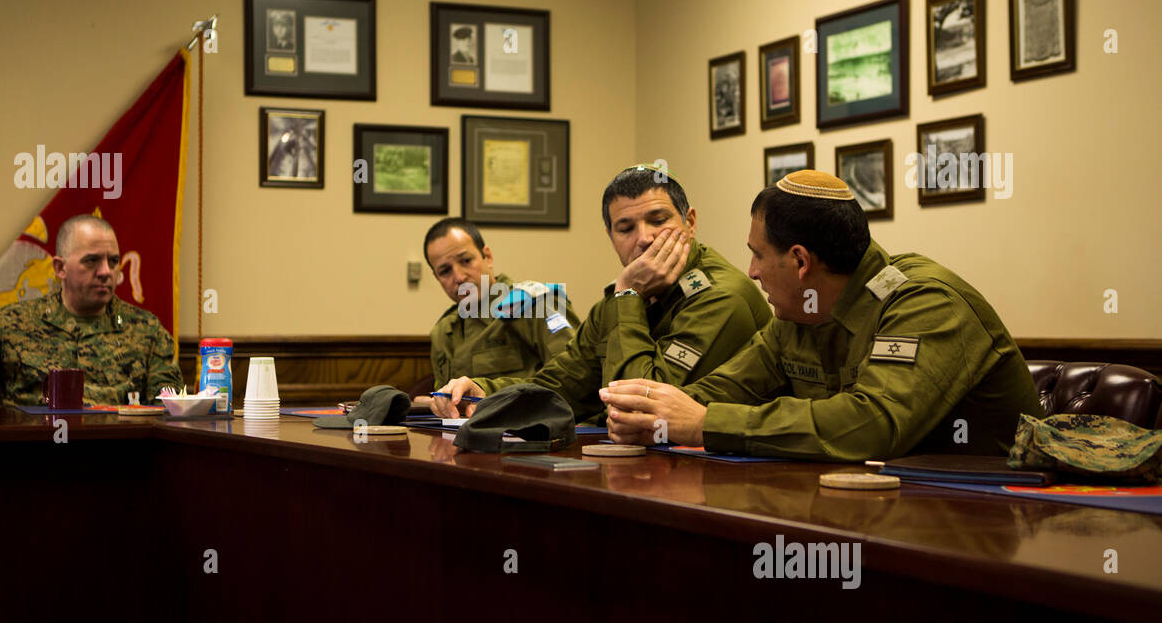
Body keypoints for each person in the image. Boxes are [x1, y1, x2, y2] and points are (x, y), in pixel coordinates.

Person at [600, 170, 1042, 460]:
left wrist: (703, 424)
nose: (751, 272)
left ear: (800, 262)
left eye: (757, 255)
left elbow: (872, 424)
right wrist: (648, 414)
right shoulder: (798, 315)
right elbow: (719, 391)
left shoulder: (925, 303)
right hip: (879, 511)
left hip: (987, 522)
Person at [432, 165, 772, 423]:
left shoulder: (721, 297)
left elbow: (641, 407)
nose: (645, 238)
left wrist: (628, 297)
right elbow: (563, 384)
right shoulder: (620, 298)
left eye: (658, 220)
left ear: (690, 222)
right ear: (611, 237)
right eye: (626, 228)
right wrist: (485, 394)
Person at [0, 215, 181, 410]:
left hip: (120, 468)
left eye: (112, 262)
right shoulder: (8, 325)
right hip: (30, 469)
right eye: (91, 261)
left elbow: (169, 406)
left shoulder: (147, 330)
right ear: (60, 268)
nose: (106, 272)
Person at [424, 217, 579, 397]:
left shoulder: (536, 304)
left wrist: (487, 391)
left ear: (487, 257)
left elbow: (573, 379)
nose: (458, 277)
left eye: (466, 260)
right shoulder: (443, 332)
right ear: (437, 278)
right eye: (445, 271)